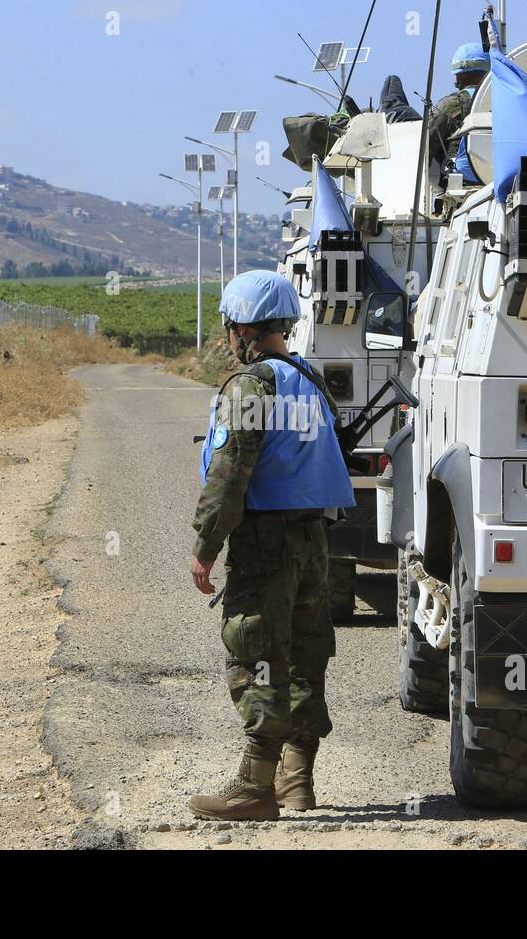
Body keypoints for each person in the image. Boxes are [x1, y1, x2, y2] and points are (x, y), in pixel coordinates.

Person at [188, 271, 354, 822]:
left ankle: (255, 789)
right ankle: (297, 781)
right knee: (306, 654)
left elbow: (231, 473)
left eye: (231, 327)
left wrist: (206, 545)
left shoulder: (252, 384)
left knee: (256, 650)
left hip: (266, 542)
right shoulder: (308, 380)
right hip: (313, 539)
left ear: (242, 329)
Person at [428, 42, 490, 171]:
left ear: (459, 75)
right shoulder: (504, 100)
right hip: (500, 179)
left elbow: (426, 143)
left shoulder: (451, 104)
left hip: (461, 181)